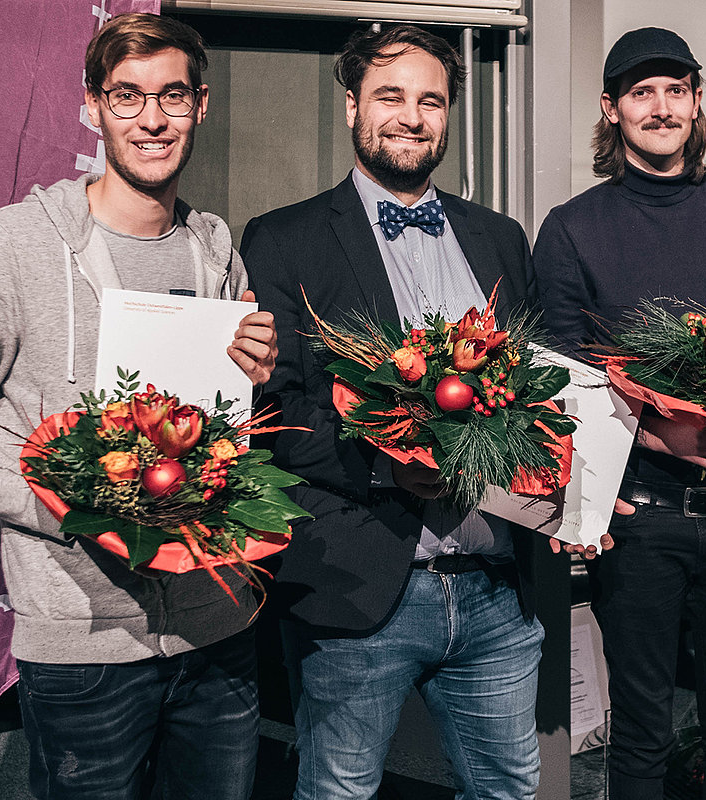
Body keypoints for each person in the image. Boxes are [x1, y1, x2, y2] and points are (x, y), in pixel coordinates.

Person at [0, 14, 277, 800]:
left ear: (201, 105)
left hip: (218, 628)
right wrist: (74, 500)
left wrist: (251, 377)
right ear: (94, 107)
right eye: (127, 96)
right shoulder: (14, 245)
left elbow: (209, 433)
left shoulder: (215, 245)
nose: (152, 119)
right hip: (85, 645)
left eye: (172, 95)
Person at [239, 24, 542, 800]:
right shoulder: (284, 240)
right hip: (359, 585)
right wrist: (391, 463)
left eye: (430, 101)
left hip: (498, 590)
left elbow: (534, 396)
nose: (412, 116)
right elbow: (272, 411)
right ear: (350, 107)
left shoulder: (502, 239)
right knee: (338, 792)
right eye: (390, 97)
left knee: (506, 790)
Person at [532, 26, 706, 800]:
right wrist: (661, 432)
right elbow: (561, 381)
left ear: (695, 102)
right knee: (640, 734)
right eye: (641, 92)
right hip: (643, 519)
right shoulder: (570, 228)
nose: (660, 108)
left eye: (675, 90)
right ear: (611, 108)